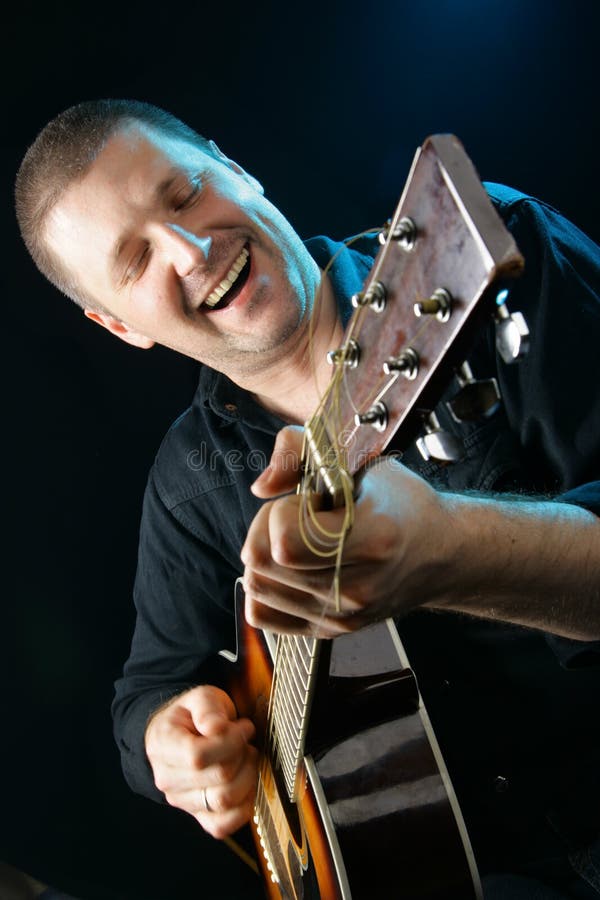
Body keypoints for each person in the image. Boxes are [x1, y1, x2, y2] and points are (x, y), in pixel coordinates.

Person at [14, 99, 600, 898]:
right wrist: (171, 743)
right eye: (134, 261)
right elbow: (144, 695)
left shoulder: (482, 256)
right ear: (120, 326)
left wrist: (454, 553)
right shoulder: (191, 482)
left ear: (238, 170)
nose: (189, 252)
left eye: (185, 195)